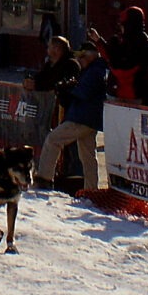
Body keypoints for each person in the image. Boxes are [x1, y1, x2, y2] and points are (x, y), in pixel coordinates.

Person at [36, 42, 108, 191]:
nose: (80, 60)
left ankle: (44, 178)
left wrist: (69, 89)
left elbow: (84, 92)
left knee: (53, 139)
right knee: (87, 156)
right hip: (89, 119)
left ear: (92, 55)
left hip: (82, 118)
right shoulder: (92, 70)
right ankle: (91, 190)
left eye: (83, 57)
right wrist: (70, 87)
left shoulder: (96, 71)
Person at [88, 6, 148, 107]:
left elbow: (109, 56)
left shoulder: (117, 45)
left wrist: (98, 40)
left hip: (115, 94)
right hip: (138, 96)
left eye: (122, 25)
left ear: (126, 26)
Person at [25, 35, 82, 127]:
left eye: (49, 47)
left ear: (56, 49)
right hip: (49, 110)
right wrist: (29, 81)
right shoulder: (49, 64)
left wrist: (38, 86)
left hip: (67, 110)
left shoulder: (71, 64)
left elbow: (60, 84)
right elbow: (40, 77)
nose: (47, 50)